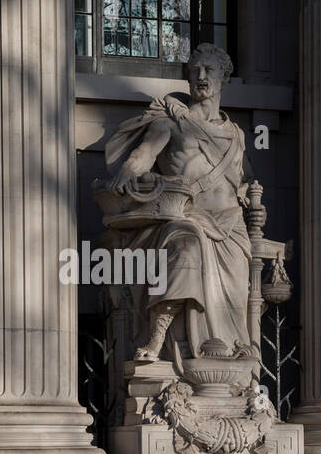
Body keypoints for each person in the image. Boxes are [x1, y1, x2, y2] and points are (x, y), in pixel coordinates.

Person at [105, 42, 257, 363]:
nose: (201, 76)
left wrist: (253, 200)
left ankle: (230, 354)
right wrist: (128, 177)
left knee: (236, 297)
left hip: (231, 228)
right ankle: (158, 338)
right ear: (187, 78)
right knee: (185, 248)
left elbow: (246, 183)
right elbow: (140, 158)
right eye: (195, 70)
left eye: (209, 70)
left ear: (224, 78)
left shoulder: (238, 136)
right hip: (185, 218)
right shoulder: (170, 123)